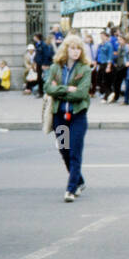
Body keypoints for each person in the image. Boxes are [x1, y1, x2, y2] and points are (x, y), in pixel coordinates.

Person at [45, 34, 93, 202]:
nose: (76, 52)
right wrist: (67, 89)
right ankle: (79, 181)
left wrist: (58, 90)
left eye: (78, 48)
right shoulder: (55, 67)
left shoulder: (85, 69)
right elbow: (47, 88)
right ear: (66, 49)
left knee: (75, 152)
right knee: (64, 150)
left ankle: (71, 189)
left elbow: (81, 93)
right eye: (72, 48)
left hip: (77, 116)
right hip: (60, 116)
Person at [32, 32, 54, 97]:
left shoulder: (43, 45)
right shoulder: (37, 44)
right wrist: (34, 62)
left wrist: (44, 64)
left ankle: (44, 91)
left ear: (37, 37)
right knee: (39, 78)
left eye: (34, 36)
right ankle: (40, 92)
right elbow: (37, 54)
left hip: (42, 64)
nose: (33, 38)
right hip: (38, 63)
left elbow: (46, 55)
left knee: (45, 78)